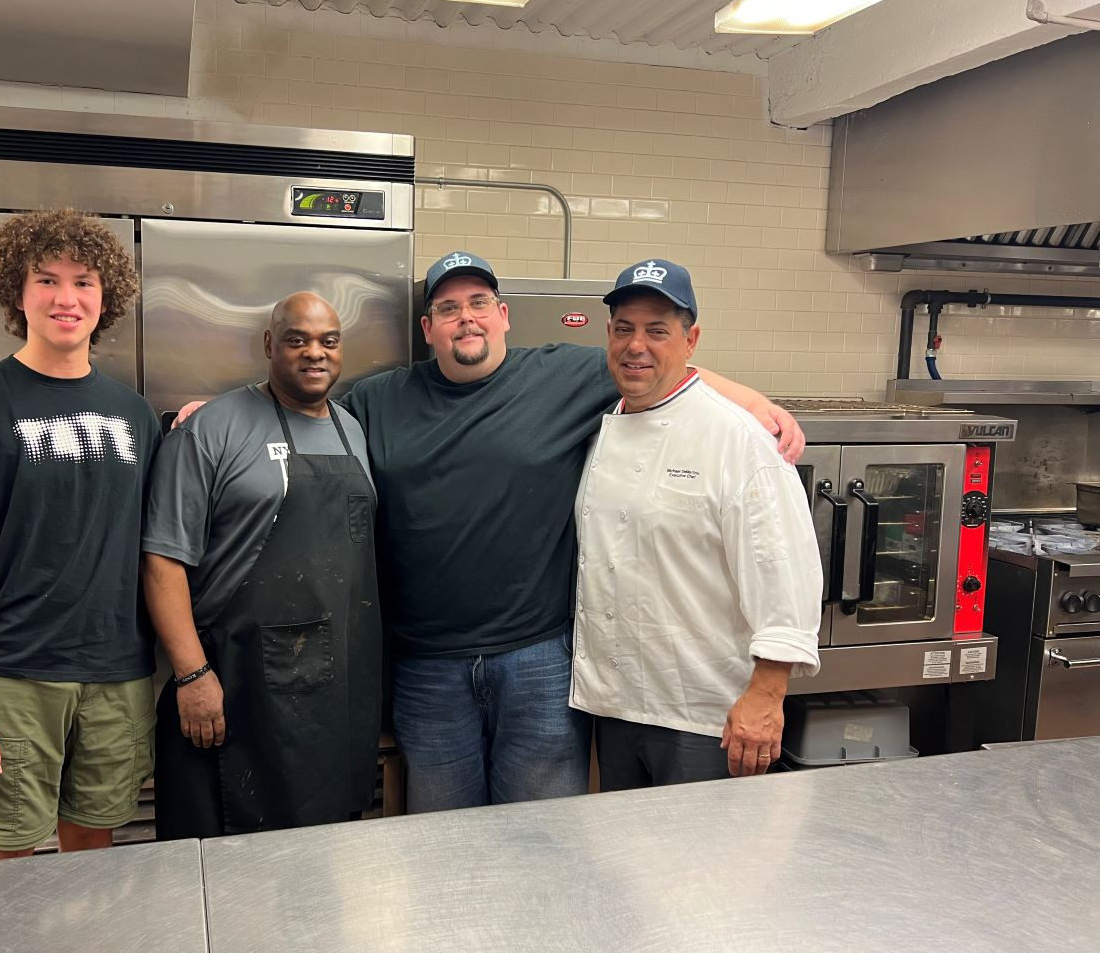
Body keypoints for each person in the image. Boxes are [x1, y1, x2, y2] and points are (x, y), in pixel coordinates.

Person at [334, 251, 806, 813]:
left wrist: (756, 404)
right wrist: (235, 421)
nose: (466, 318)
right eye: (448, 308)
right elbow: (307, 416)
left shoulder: (564, 375)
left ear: (503, 315)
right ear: (428, 326)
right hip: (427, 667)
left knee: (548, 835)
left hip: (540, 661)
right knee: (445, 837)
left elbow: (666, 368)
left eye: (479, 303)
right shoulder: (378, 398)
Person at [0, 209, 161, 862]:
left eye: (83, 281)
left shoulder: (135, 415)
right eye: (47, 279)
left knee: (94, 849)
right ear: (16, 294)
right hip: (13, 677)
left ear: (106, 297)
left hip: (117, 674)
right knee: (5, 857)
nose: (66, 298)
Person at [570, 259, 822, 789]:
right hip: (615, 706)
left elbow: (784, 571)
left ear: (691, 340)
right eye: (624, 329)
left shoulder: (738, 438)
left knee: (704, 846)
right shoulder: (602, 426)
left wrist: (767, 694)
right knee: (621, 843)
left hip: (709, 715)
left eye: (657, 331)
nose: (636, 345)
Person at [142, 292, 381, 838]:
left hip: (338, 693)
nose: (314, 353)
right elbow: (161, 561)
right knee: (225, 864)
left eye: (328, 341)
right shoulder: (211, 429)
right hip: (237, 687)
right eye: (297, 340)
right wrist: (192, 674)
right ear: (270, 344)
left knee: (319, 856)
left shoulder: (352, 429)